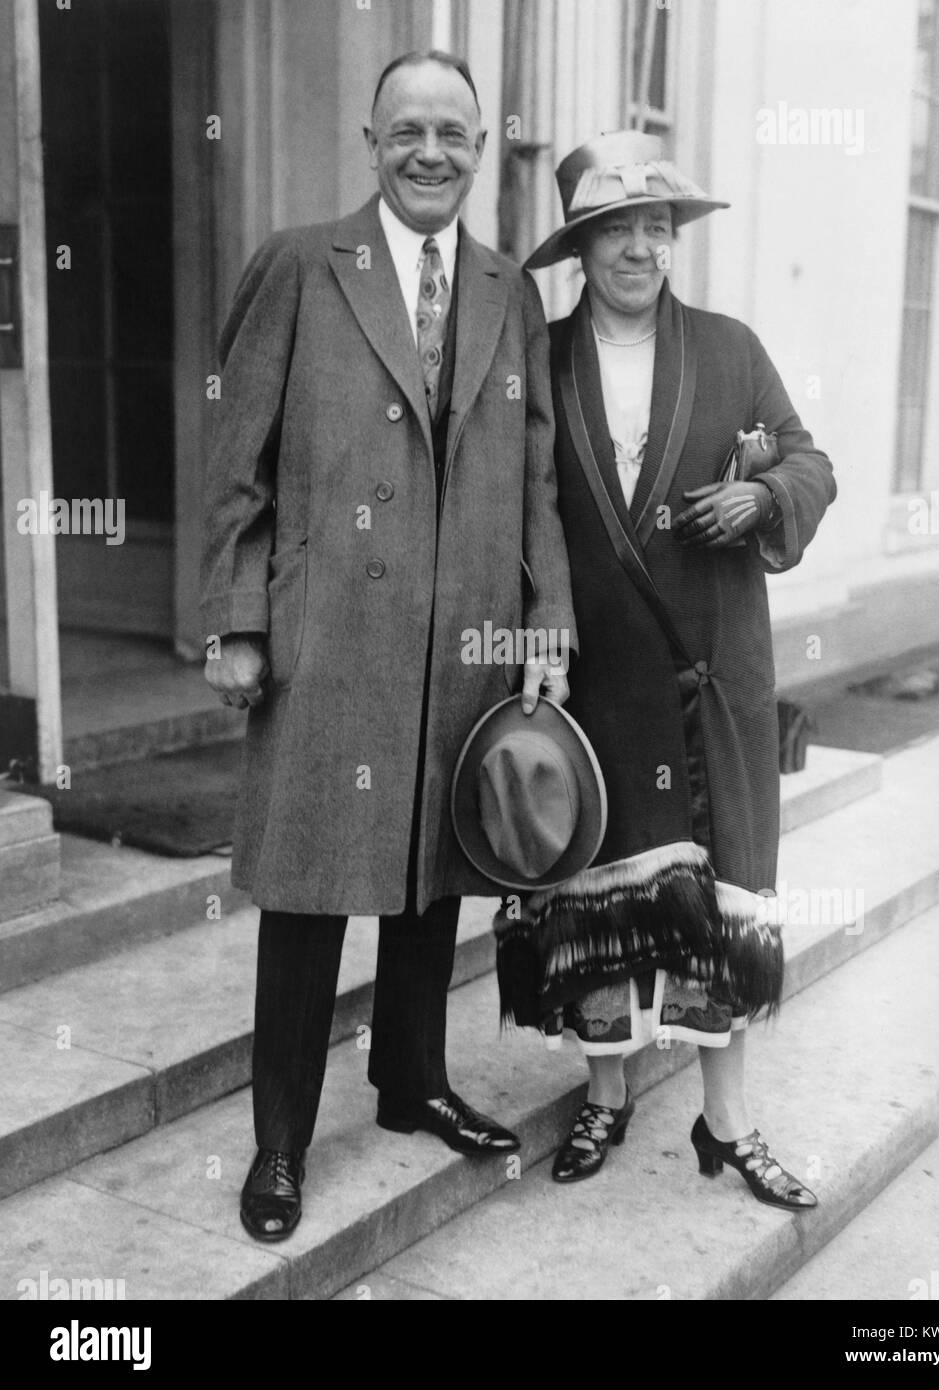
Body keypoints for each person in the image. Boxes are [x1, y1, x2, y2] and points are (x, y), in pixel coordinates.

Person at [201, 51, 574, 1242]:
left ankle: (410, 1080)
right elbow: (234, 461)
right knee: (309, 890)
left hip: (459, 641)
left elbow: (534, 482)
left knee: (433, 875)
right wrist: (238, 619)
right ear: (370, 140)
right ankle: (279, 1144)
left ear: (477, 148)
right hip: (327, 639)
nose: (430, 153)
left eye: (452, 135)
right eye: (407, 130)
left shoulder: (508, 289)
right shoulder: (303, 264)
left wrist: (542, 628)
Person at [502, 131, 836, 1207]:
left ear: (671, 239)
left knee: (724, 892)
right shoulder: (545, 361)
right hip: (597, 674)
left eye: (655, 227)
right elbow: (523, 507)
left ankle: (725, 1121)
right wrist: (537, 632)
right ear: (582, 247)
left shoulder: (731, 349)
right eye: (615, 230)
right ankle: (606, 1093)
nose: (638, 249)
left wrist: (763, 497)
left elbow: (807, 457)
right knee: (599, 892)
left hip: (712, 670)